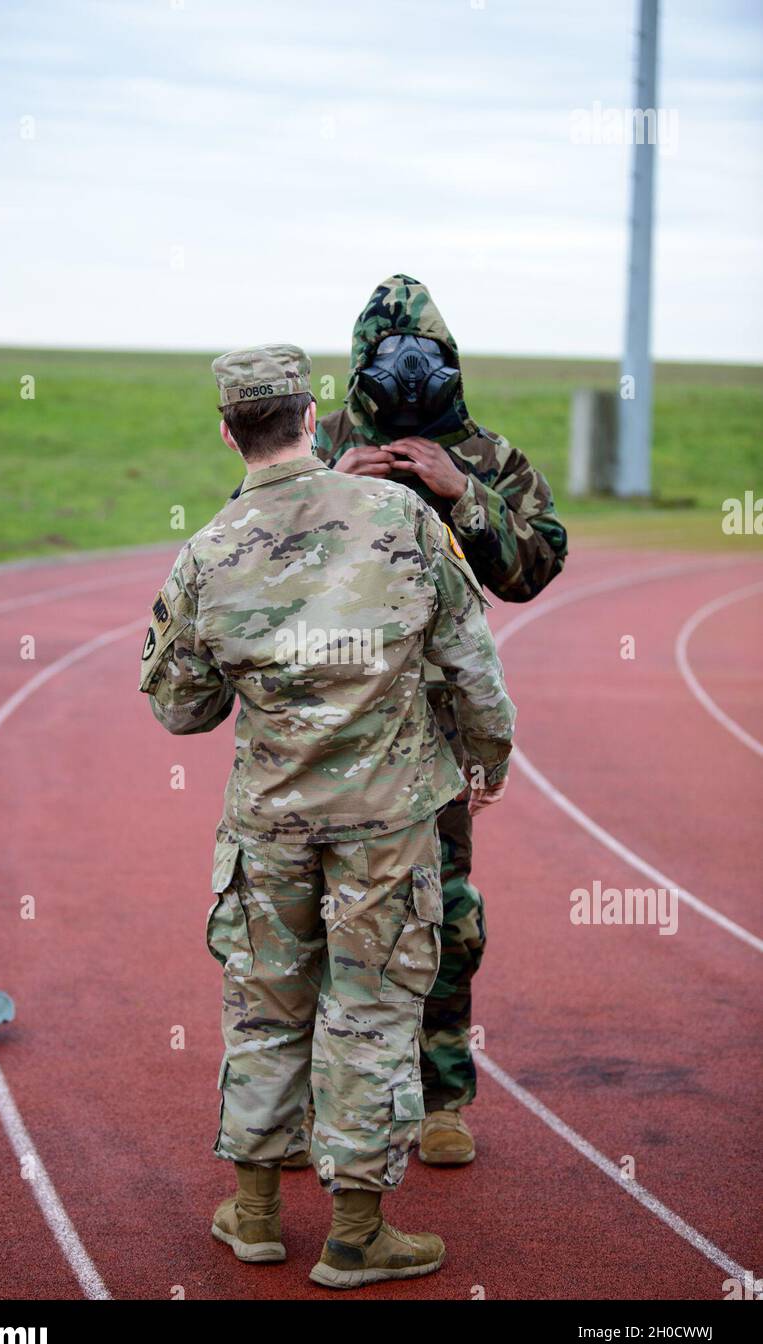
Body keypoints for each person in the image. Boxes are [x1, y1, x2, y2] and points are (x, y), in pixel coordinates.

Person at [138, 342, 516, 1289]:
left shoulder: (210, 549)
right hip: (387, 825)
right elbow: (474, 668)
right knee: (372, 1012)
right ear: (311, 417)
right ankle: (356, 1234)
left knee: (265, 1010)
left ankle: (257, 1214)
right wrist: (485, 758)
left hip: (267, 827)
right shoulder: (397, 517)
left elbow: (179, 709)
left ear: (229, 431)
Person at [310, 273, 568, 1166]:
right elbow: (239, 559)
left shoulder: (485, 453)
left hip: (434, 730)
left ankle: (441, 1097)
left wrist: (464, 493)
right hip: (326, 724)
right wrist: (329, 489)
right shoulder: (319, 445)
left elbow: (533, 568)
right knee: (311, 910)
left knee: (444, 915)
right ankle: (315, 1095)